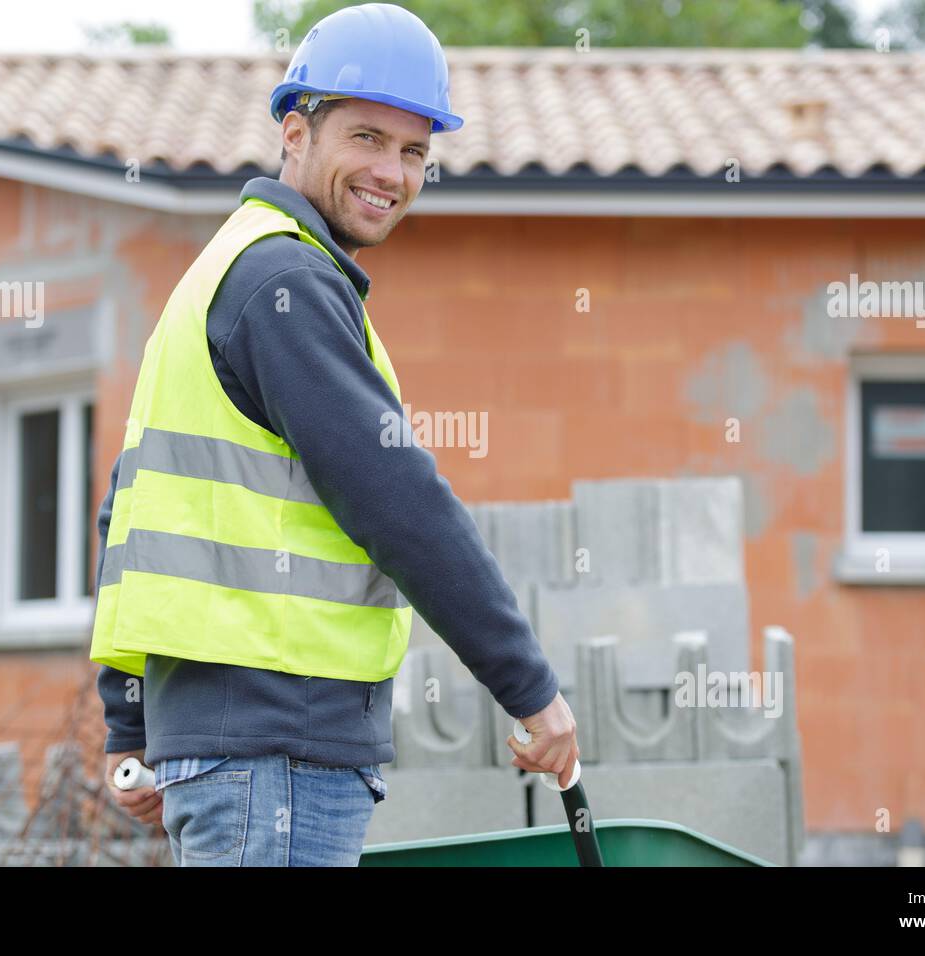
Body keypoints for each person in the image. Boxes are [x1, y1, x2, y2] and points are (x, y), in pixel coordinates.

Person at [91, 2, 579, 867]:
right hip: (277, 752)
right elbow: (398, 502)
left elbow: (124, 511)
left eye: (415, 151)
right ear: (295, 132)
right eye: (366, 138)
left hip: (237, 755)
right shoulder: (286, 281)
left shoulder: (225, 271)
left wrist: (131, 729)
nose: (391, 171)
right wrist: (532, 691)